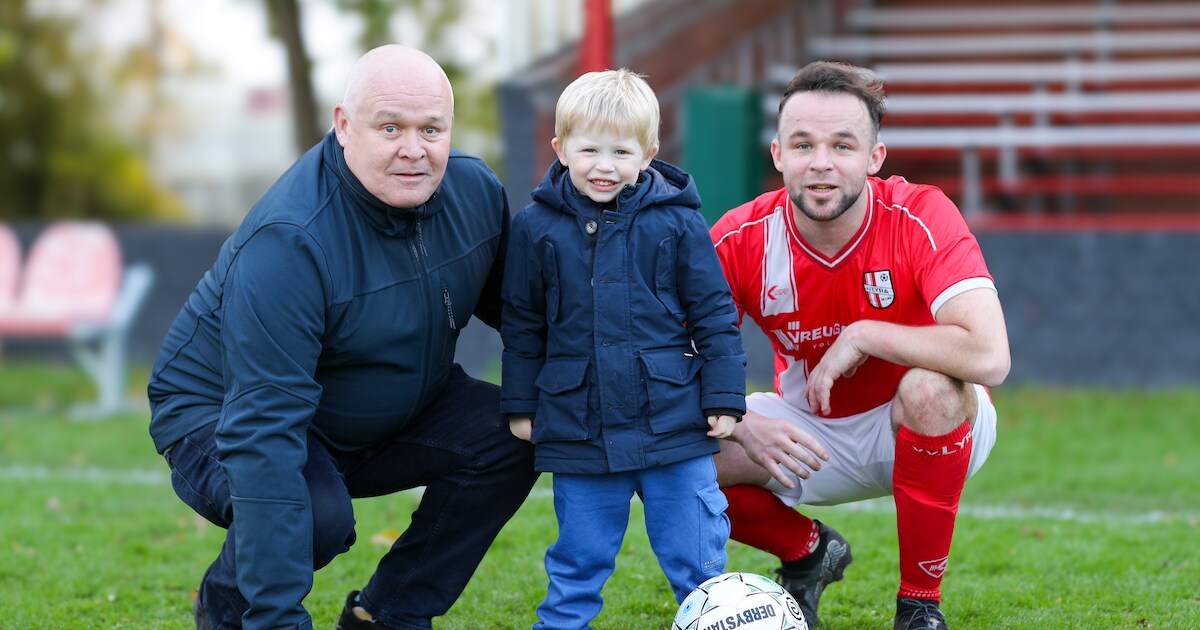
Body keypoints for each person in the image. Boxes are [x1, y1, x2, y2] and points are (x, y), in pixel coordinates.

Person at [147, 45, 538, 630]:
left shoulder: (475, 192)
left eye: (431, 128)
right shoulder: (289, 243)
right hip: (228, 410)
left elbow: (527, 319)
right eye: (390, 127)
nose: (414, 149)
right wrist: (277, 619)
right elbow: (263, 433)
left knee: (517, 432)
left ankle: (385, 615)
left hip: (384, 401)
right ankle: (229, 610)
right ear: (344, 125)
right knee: (313, 516)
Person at [709, 60, 1010, 630]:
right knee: (668, 451)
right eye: (803, 144)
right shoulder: (738, 237)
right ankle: (809, 551)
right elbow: (677, 360)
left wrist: (867, 335)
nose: (821, 163)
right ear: (777, 155)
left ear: (874, 158)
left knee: (931, 389)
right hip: (807, 430)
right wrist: (739, 420)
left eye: (843, 145)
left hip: (924, 418)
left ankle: (919, 606)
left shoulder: (919, 214)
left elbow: (990, 357)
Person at [500, 68, 747, 628]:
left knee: (697, 560)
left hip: (674, 425)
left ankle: (718, 619)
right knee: (578, 562)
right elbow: (522, 323)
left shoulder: (679, 222)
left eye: (621, 151)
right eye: (588, 150)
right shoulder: (535, 228)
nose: (604, 165)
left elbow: (713, 314)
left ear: (649, 153)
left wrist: (724, 396)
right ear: (560, 149)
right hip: (578, 425)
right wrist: (521, 404)